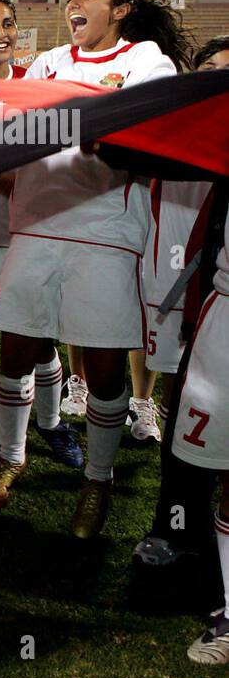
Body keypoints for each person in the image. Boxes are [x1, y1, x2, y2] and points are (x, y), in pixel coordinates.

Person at [0, 0, 192, 538]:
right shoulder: (48, 64)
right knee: (17, 350)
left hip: (105, 232)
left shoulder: (145, 62)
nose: (73, 3)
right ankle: (10, 455)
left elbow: (135, 137)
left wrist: (77, 127)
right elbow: (17, 128)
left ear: (119, 9)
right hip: (38, 222)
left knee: (102, 368)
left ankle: (97, 479)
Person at [0, 0, 83, 470]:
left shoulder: (35, 84)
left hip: (29, 232)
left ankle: (51, 424)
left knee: (39, 341)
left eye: (7, 23)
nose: (1, 33)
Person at [133, 35, 229, 569]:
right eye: (210, 71)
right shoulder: (179, 136)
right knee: (189, 422)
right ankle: (176, 526)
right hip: (205, 304)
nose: (219, 82)